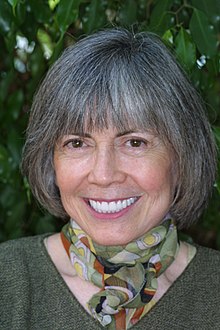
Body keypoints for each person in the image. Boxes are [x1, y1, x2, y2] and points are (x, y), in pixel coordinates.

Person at [0, 28, 219, 330]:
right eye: (77, 143)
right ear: (52, 160)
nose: (103, 175)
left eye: (134, 143)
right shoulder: (7, 280)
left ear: (180, 158)